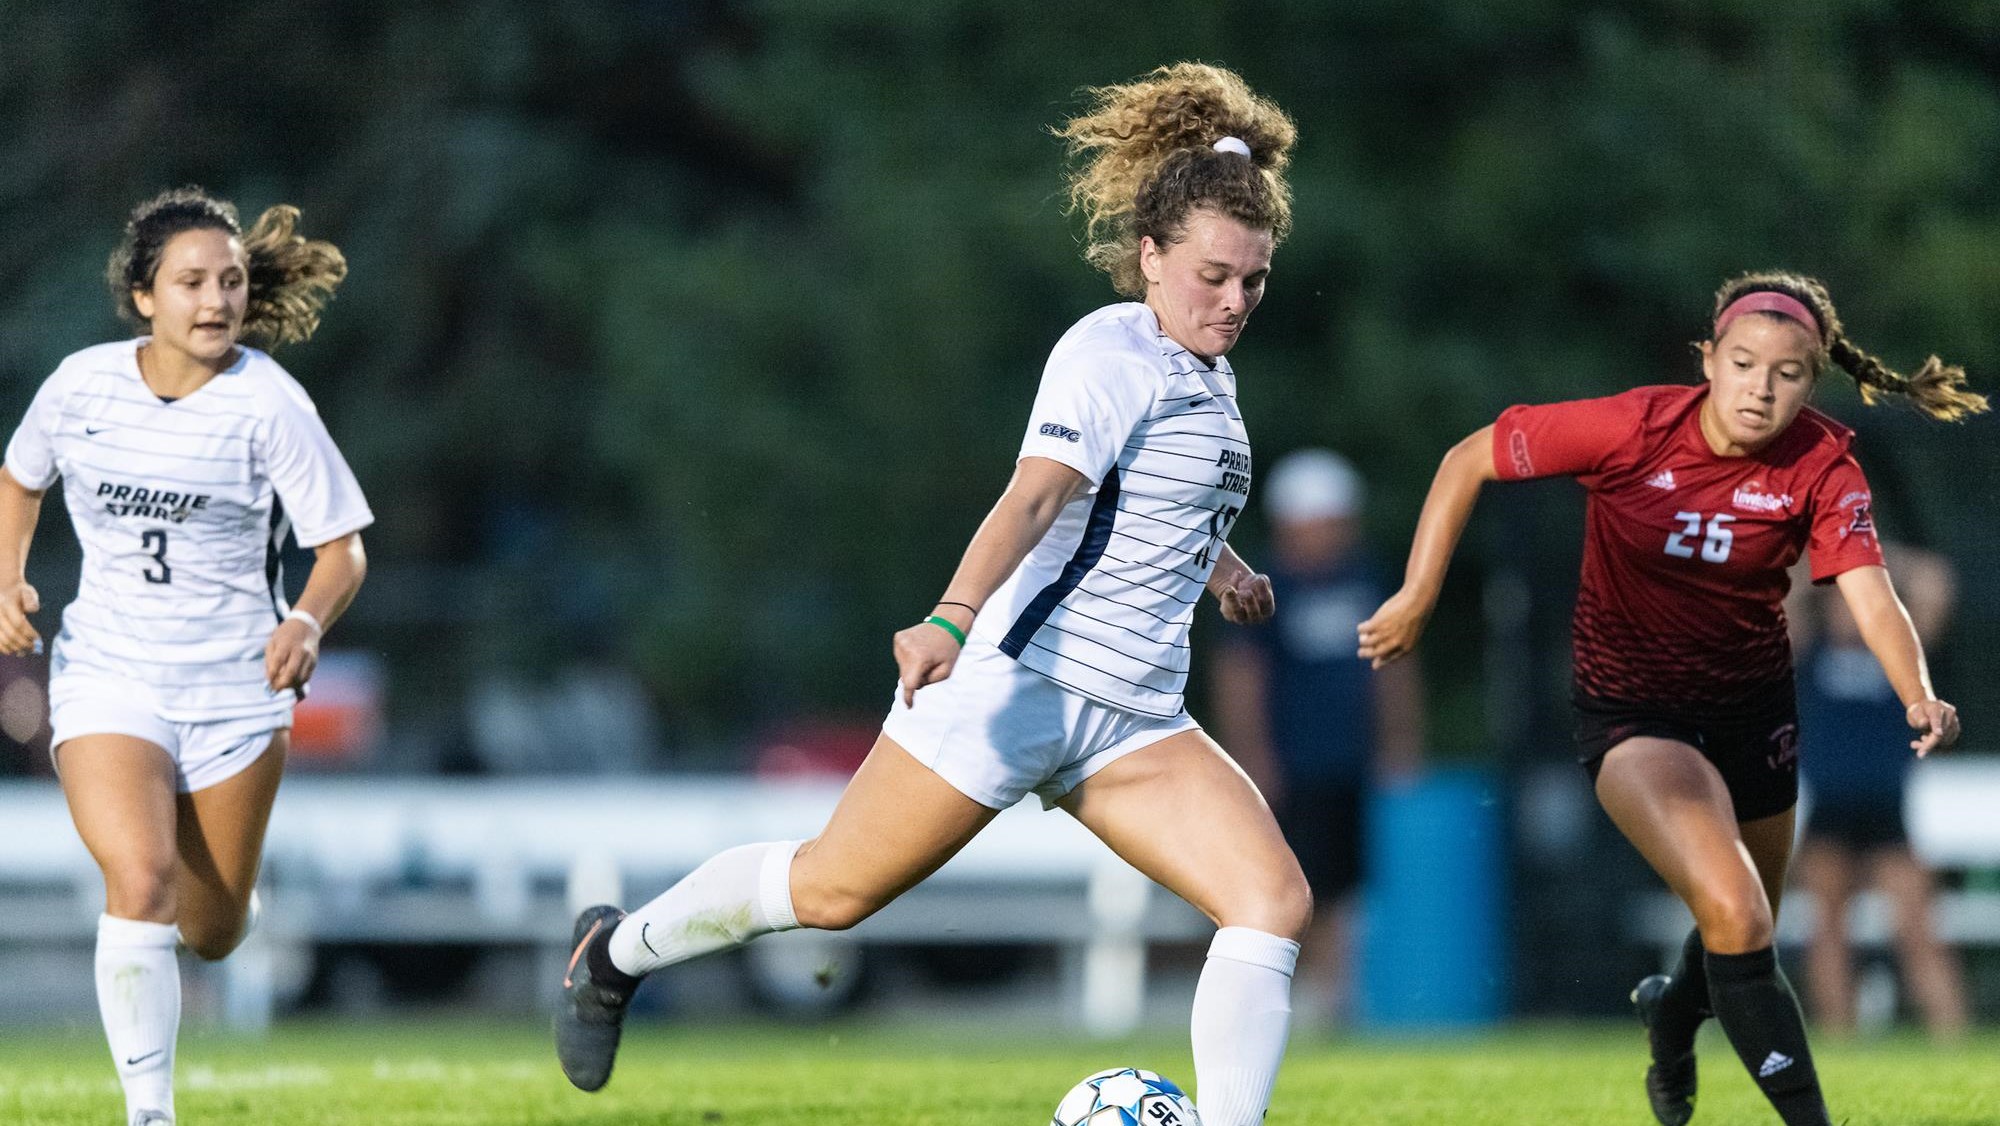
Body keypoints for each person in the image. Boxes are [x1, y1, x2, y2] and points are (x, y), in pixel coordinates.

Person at [555, 62, 1309, 1126]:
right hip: (1019, 688)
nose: (1233, 301)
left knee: (1271, 903)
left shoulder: (1206, 371)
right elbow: (1035, 499)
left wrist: (1222, 568)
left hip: (1134, 716)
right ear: (1148, 255)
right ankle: (614, 953)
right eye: (1212, 276)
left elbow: (1141, 501)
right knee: (827, 893)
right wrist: (950, 616)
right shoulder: (1107, 353)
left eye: (1253, 280)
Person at [1356, 272, 1983, 1126]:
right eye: (1744, 363)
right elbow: (1470, 457)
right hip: (1635, 715)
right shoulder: (1631, 427)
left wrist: (1918, 692)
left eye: (1788, 372)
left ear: (1812, 380)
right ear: (1708, 360)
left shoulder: (1823, 463)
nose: (1761, 388)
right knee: (1734, 907)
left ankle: (1671, 1021)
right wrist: (1417, 594)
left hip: (1755, 715)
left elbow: (1869, 590)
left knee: (1739, 920)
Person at [0, 187, 371, 1126]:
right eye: (192, 281)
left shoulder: (272, 407)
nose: (216, 300)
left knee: (209, 930)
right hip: (109, 675)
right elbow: (19, 475)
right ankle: (151, 1114)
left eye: (232, 281)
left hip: (234, 692)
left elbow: (343, 551)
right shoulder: (80, 385)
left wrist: (308, 624)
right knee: (142, 882)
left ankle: (227, 912)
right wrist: (6, 579)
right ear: (142, 296)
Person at [1210, 448, 1423, 1026]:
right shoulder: (1263, 587)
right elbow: (1241, 674)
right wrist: (1254, 755)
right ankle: (1290, 996)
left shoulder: (1364, 579)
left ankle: (1335, 999)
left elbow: (1393, 666)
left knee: (1344, 884)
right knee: (1294, 880)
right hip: (1291, 761)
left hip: (1346, 758)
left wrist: (1399, 742)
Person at [1791, 542, 1969, 1040]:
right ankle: (1839, 1040)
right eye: (1839, 601)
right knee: (1826, 931)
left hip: (1887, 811)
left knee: (1916, 928)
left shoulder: (1900, 658)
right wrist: (1831, 560)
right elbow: (1781, 589)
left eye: (1858, 602)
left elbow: (1936, 583)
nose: (1848, 613)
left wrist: (1867, 557)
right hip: (1829, 811)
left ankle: (1952, 1040)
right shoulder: (1809, 650)